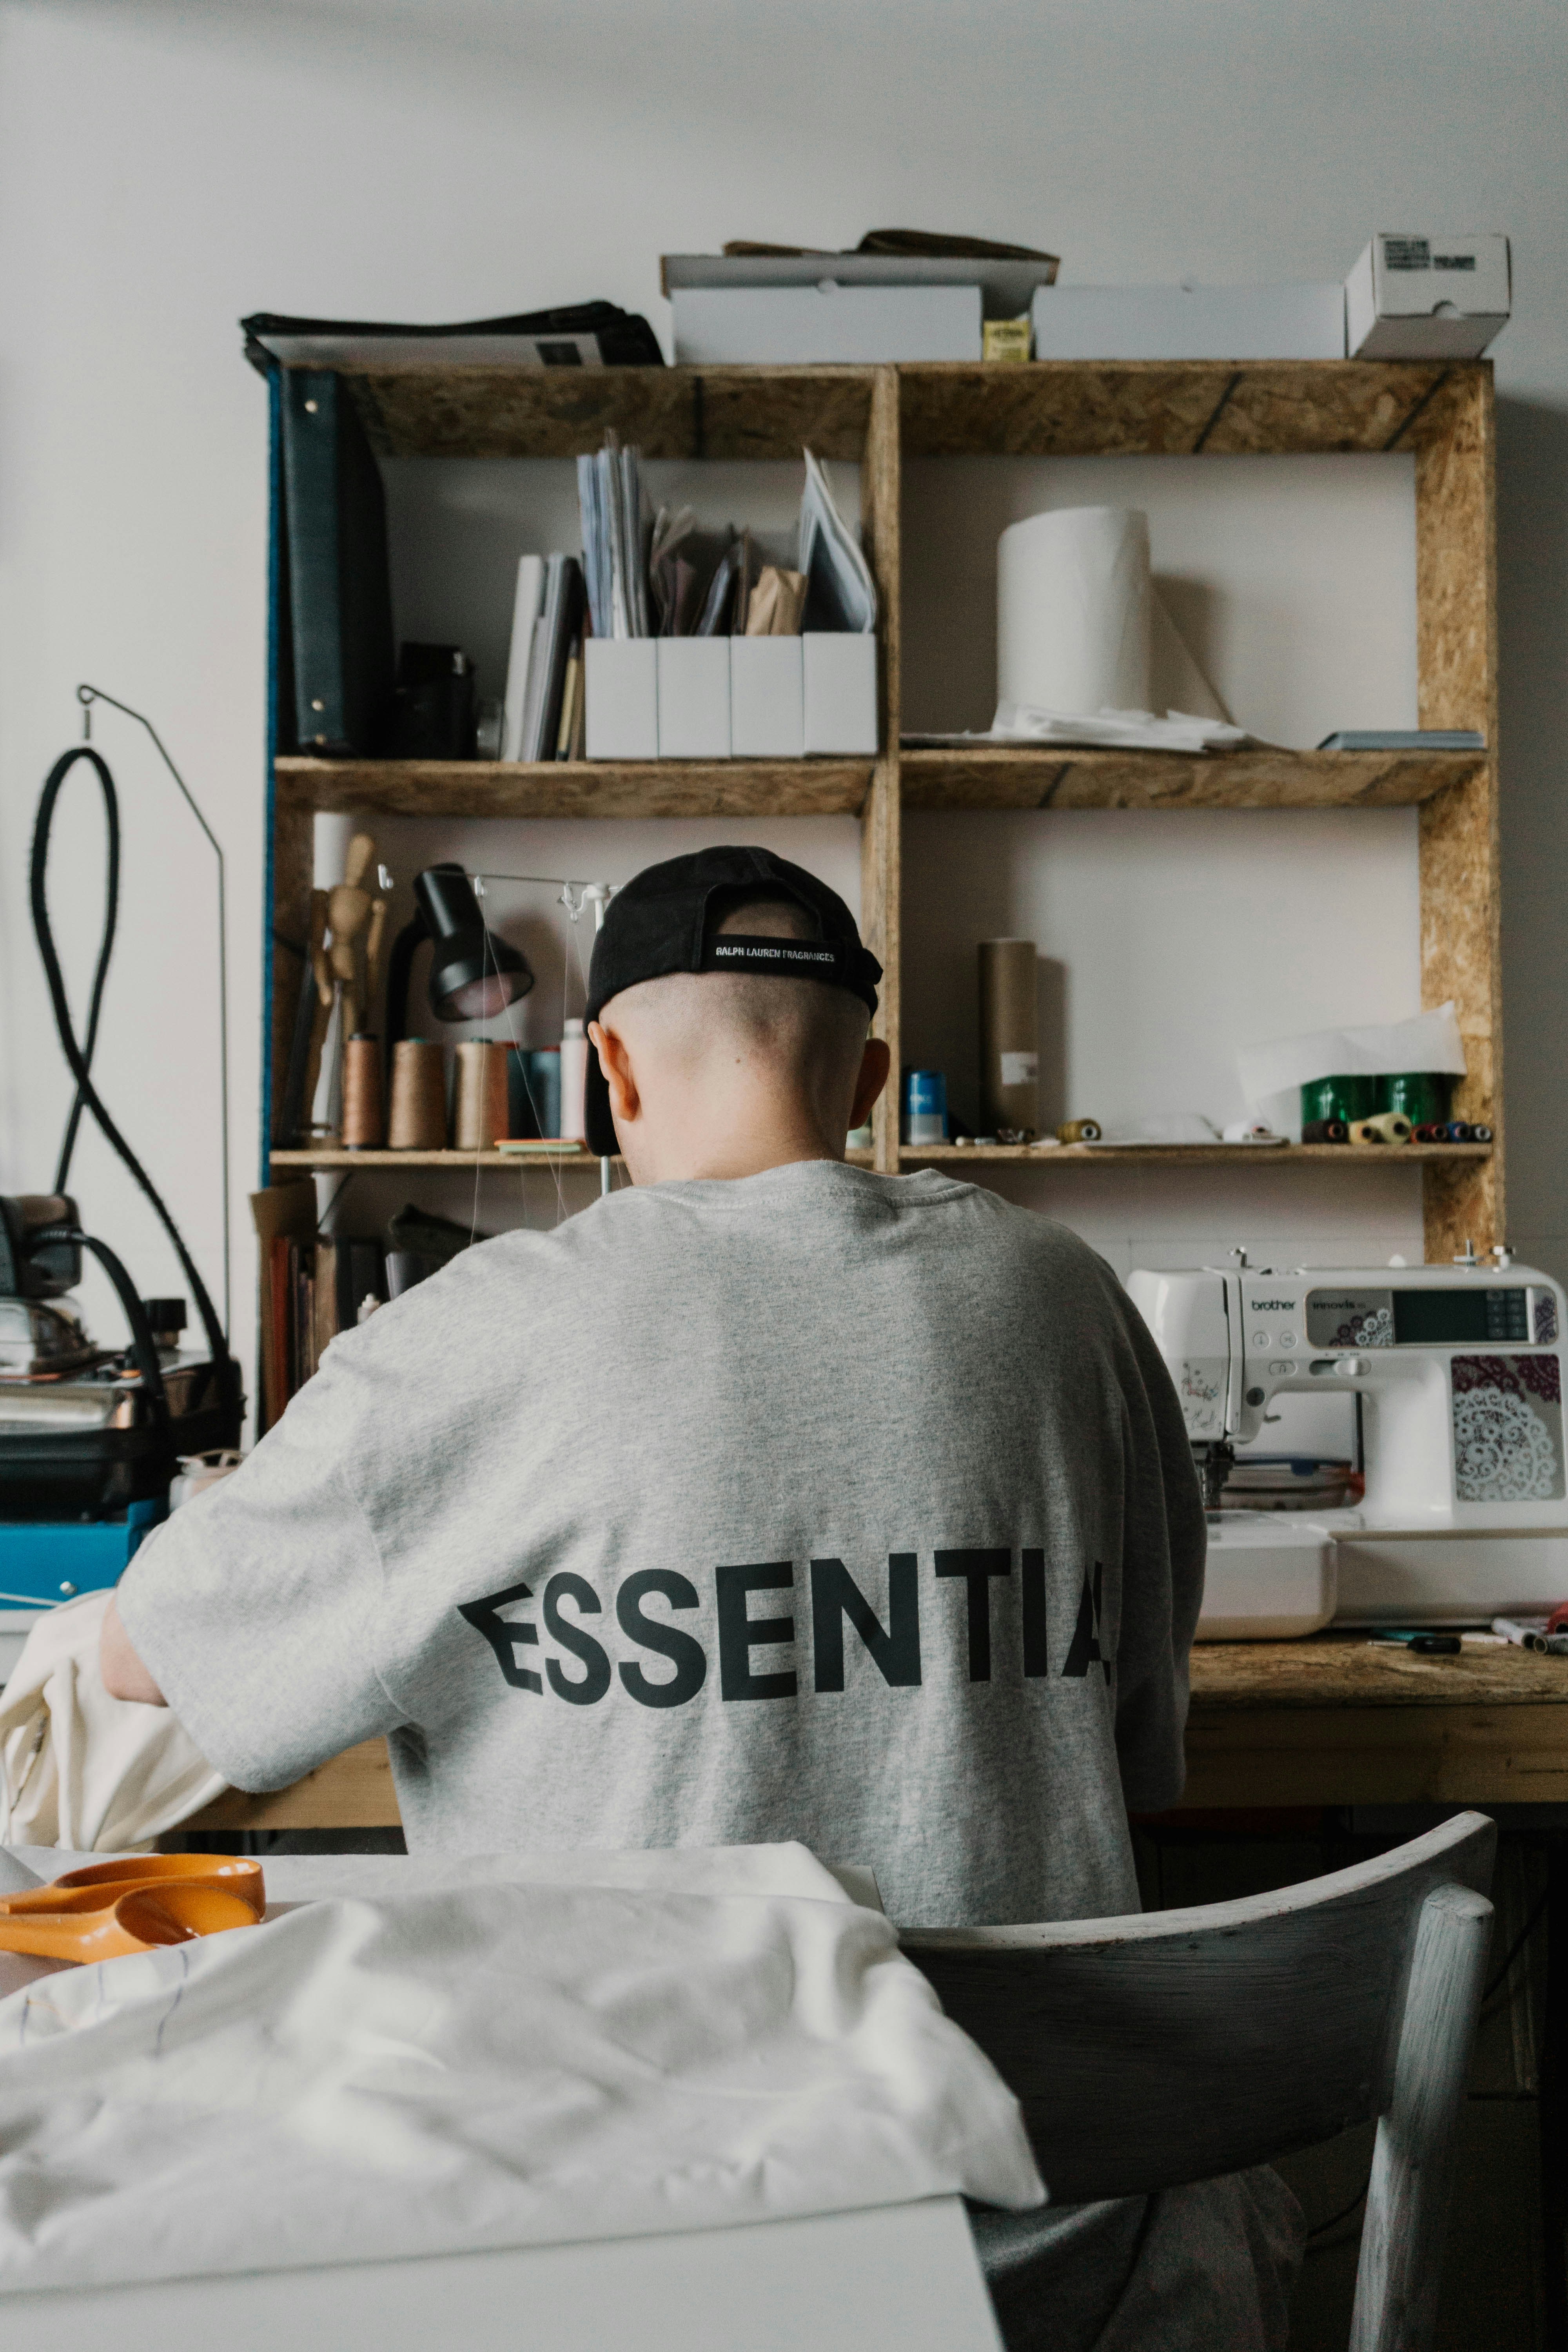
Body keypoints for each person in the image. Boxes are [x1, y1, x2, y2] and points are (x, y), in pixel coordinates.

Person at [103, 843, 1300, 2347]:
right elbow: (1138, 1760)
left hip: (636, 2259)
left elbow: (149, 1661)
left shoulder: (477, 1334)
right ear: (865, 1079)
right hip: (1053, 2248)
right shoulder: (1068, 1295)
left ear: (607, 1063)